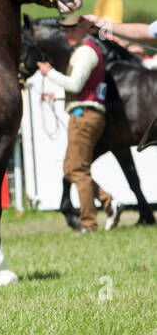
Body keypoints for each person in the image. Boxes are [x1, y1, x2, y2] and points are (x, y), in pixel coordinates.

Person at [37, 14, 120, 232]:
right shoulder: (86, 49)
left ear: (83, 28)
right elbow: (82, 89)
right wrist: (59, 97)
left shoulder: (85, 52)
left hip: (84, 116)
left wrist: (49, 73)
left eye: (73, 29)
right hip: (85, 112)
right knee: (71, 169)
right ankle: (108, 201)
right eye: (66, 30)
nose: (68, 33)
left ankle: (89, 224)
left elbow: (75, 84)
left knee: (79, 171)